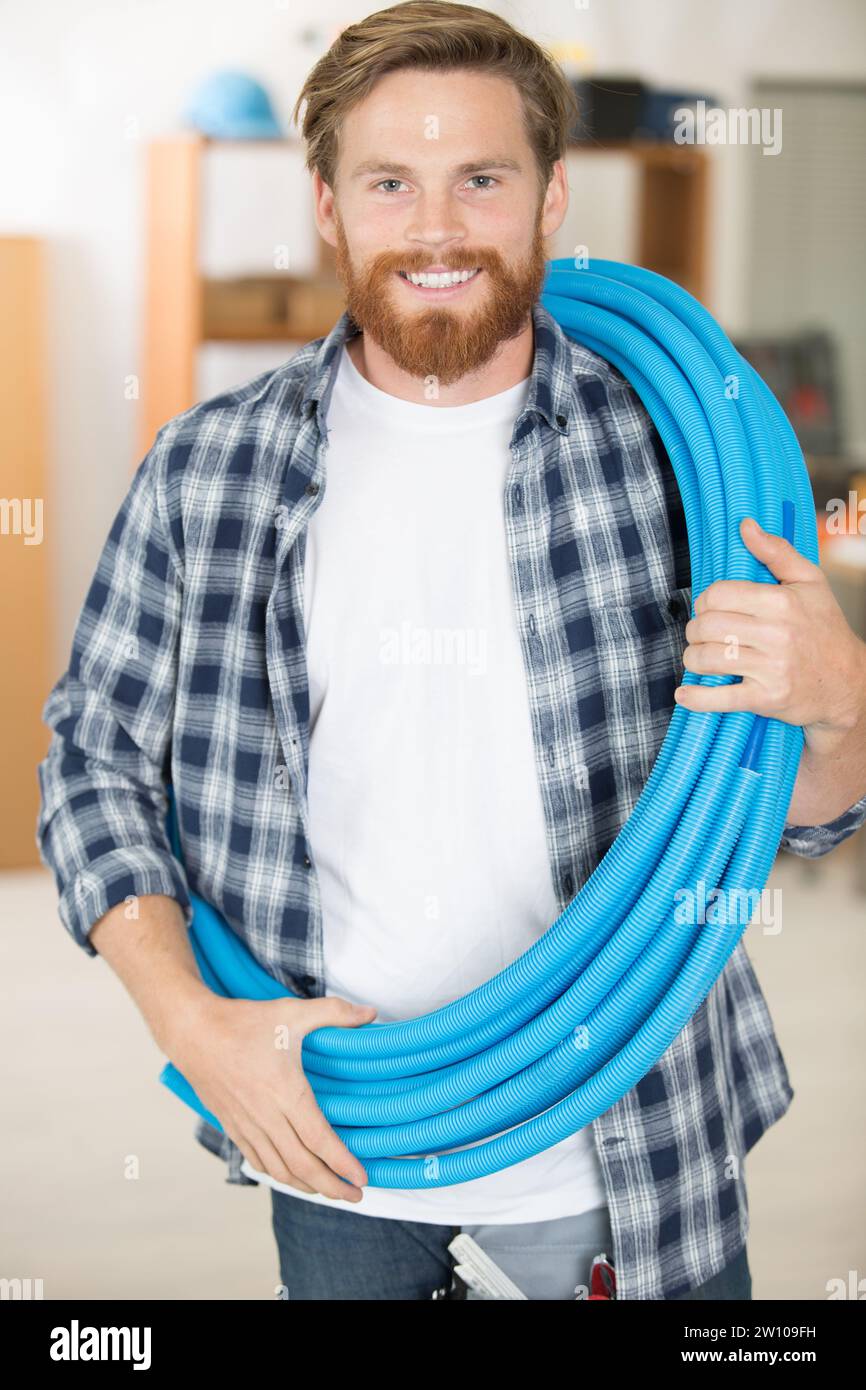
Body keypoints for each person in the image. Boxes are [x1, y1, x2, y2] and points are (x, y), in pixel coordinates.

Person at [36, 1, 866, 1301]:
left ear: (548, 202)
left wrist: (842, 706)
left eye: (480, 178)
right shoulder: (209, 468)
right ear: (327, 205)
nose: (433, 227)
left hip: (625, 1143)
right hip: (334, 1137)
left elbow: (793, 812)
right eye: (389, 181)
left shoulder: (672, 457)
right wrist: (193, 1023)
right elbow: (92, 762)